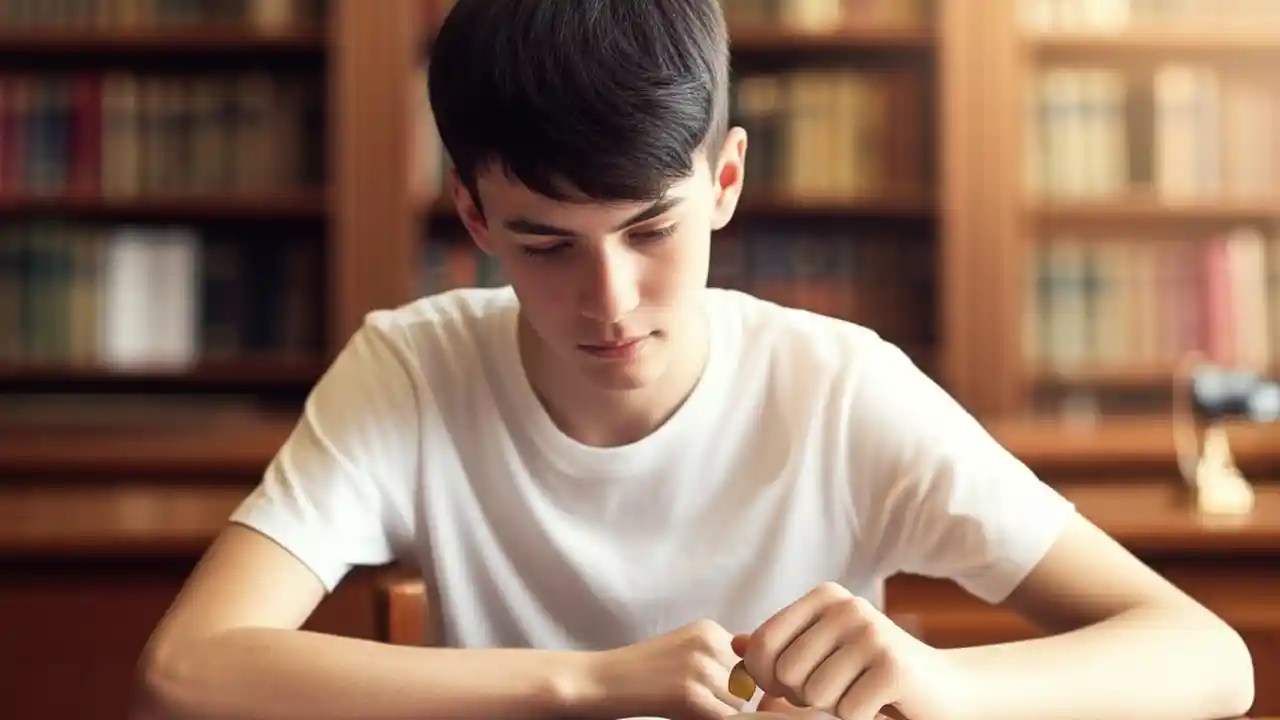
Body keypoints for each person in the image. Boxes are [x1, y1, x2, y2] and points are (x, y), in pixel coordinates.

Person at [130, 1, 1255, 719]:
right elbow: (185, 670)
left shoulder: (838, 389)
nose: (609, 302)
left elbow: (1206, 660)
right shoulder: (413, 373)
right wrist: (581, 683)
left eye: (650, 230)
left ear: (723, 182)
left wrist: (943, 684)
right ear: (471, 213)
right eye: (543, 243)